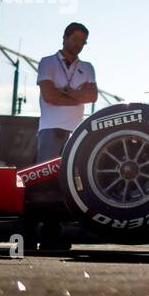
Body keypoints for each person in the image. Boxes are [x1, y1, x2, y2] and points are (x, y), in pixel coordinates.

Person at [33, 22, 98, 250]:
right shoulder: (47, 62)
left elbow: (93, 96)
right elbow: (50, 95)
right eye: (75, 39)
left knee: (68, 183)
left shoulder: (87, 67)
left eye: (83, 41)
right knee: (44, 183)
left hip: (75, 132)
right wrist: (77, 96)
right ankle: (37, 234)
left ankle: (56, 234)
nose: (78, 44)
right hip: (50, 129)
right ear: (65, 37)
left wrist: (68, 93)